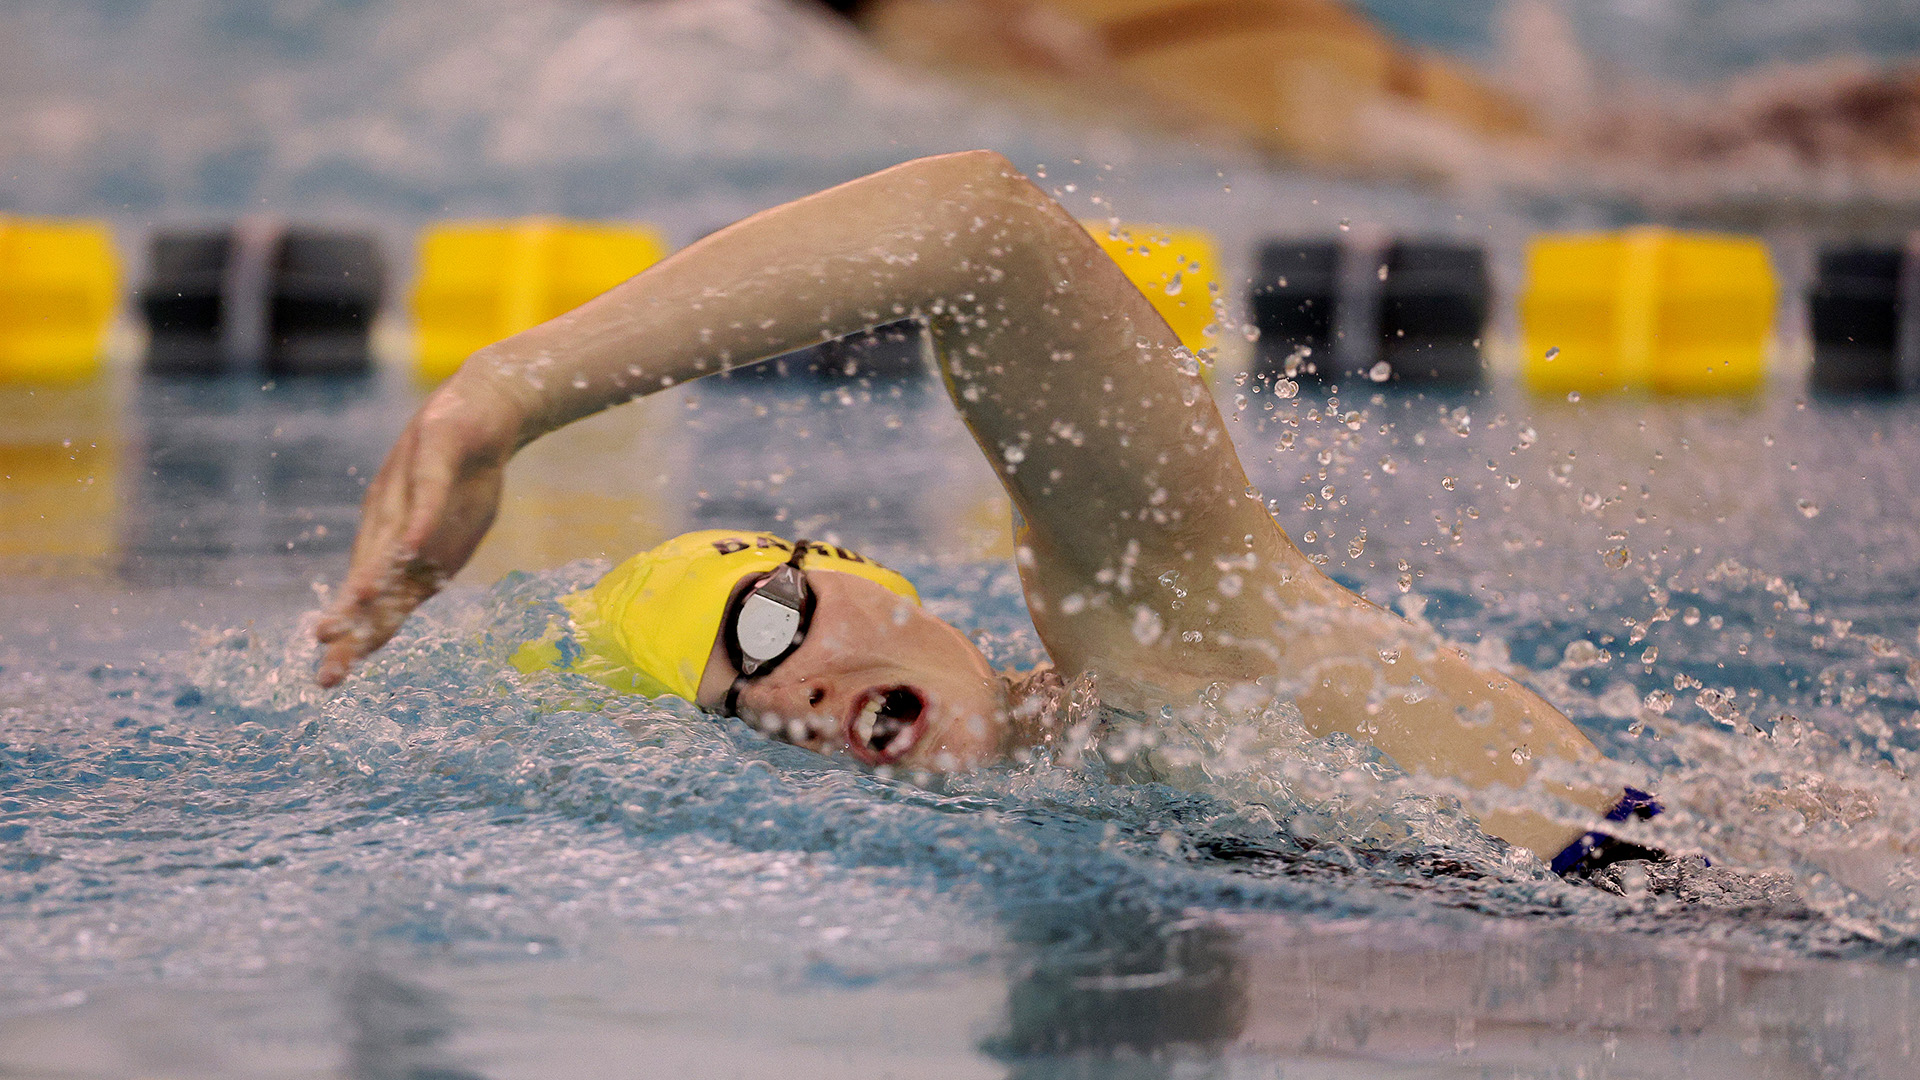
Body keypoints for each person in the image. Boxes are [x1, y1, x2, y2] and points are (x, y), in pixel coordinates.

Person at [314, 149, 1647, 870]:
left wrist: (499, 397)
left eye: (771, 626)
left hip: (1712, 915)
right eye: (742, 713)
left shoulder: (1150, 632)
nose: (794, 697)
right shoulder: (1072, 835)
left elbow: (978, 228)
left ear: (866, 577)